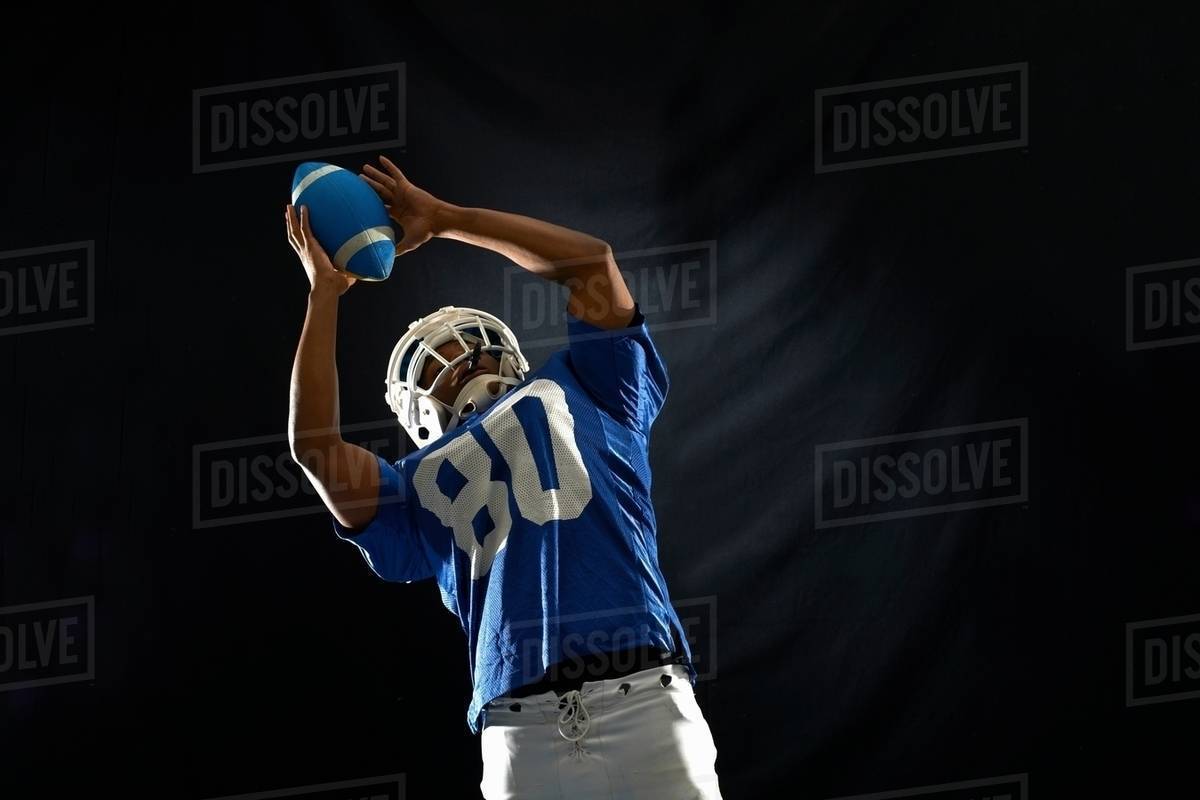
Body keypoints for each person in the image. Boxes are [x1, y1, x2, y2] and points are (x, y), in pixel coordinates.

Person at [284, 154, 723, 799]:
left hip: (641, 694)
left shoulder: (587, 383)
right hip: (519, 728)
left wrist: (446, 219)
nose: (457, 360)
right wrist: (324, 294)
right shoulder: (412, 483)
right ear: (418, 416)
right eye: (436, 363)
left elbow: (592, 265)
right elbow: (314, 447)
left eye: (466, 346)